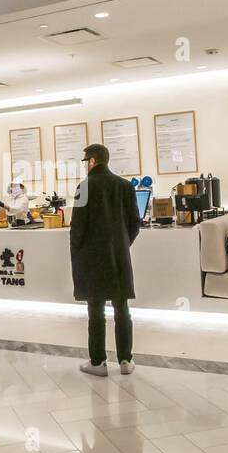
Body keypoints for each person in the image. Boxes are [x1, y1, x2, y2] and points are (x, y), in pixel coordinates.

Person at [71, 143, 141, 376]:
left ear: (92, 161)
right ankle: (125, 361)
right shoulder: (125, 187)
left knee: (96, 309)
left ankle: (98, 362)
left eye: (85, 162)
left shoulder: (84, 188)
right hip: (119, 256)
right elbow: (134, 224)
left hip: (92, 257)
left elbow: (77, 228)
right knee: (122, 307)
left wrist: (77, 253)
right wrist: (121, 244)